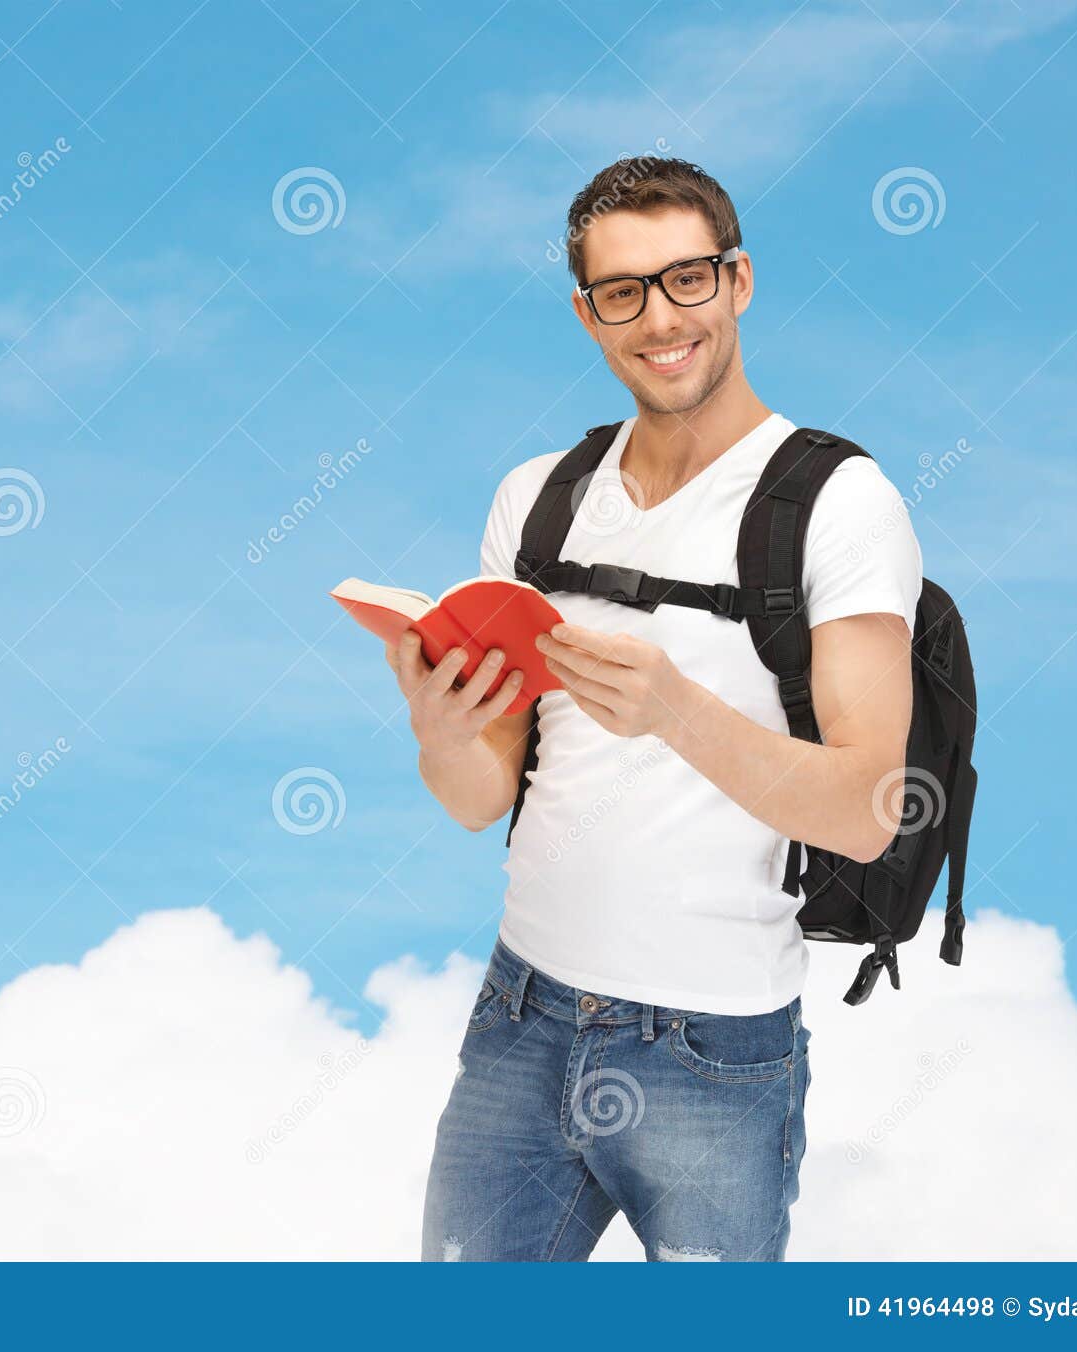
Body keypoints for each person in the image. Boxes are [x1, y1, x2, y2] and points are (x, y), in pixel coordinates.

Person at [386, 158, 923, 1261]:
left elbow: (871, 808)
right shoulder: (536, 499)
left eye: (687, 279)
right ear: (588, 315)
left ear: (738, 282)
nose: (660, 317)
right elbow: (480, 797)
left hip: (714, 1048)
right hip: (519, 1019)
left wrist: (678, 711)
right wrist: (439, 731)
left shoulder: (838, 503)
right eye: (623, 291)